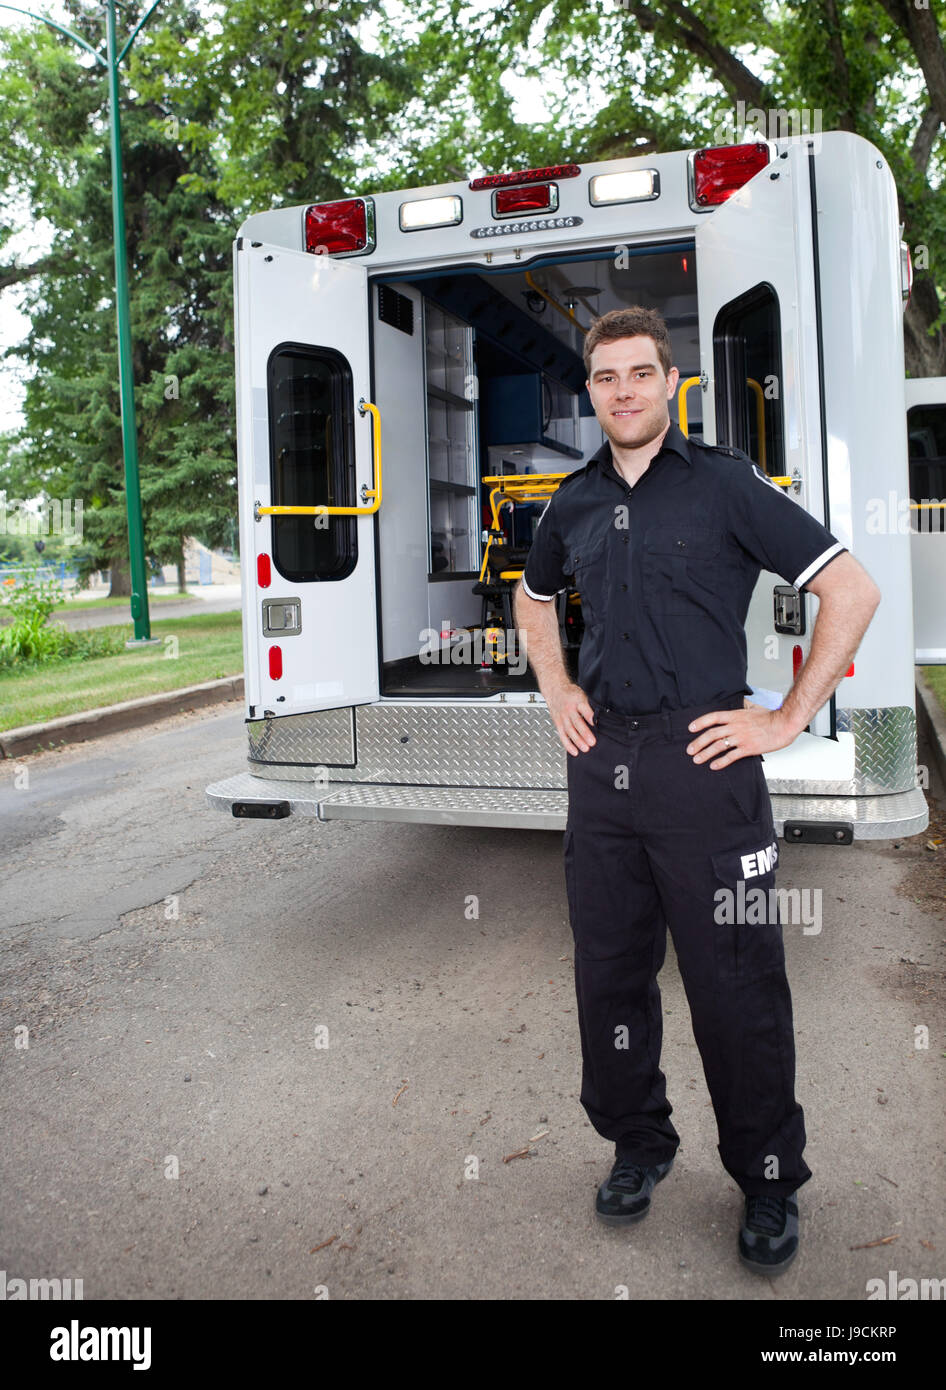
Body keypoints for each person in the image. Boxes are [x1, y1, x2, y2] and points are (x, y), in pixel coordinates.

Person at [513, 306, 880, 1275]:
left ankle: (766, 1178)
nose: (623, 390)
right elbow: (532, 596)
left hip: (705, 766)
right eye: (605, 377)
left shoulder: (722, 487)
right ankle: (638, 1142)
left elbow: (852, 590)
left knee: (735, 984)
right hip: (604, 772)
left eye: (640, 373)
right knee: (608, 972)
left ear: (670, 383)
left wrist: (786, 716)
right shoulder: (572, 502)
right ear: (588, 391)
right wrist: (556, 686)